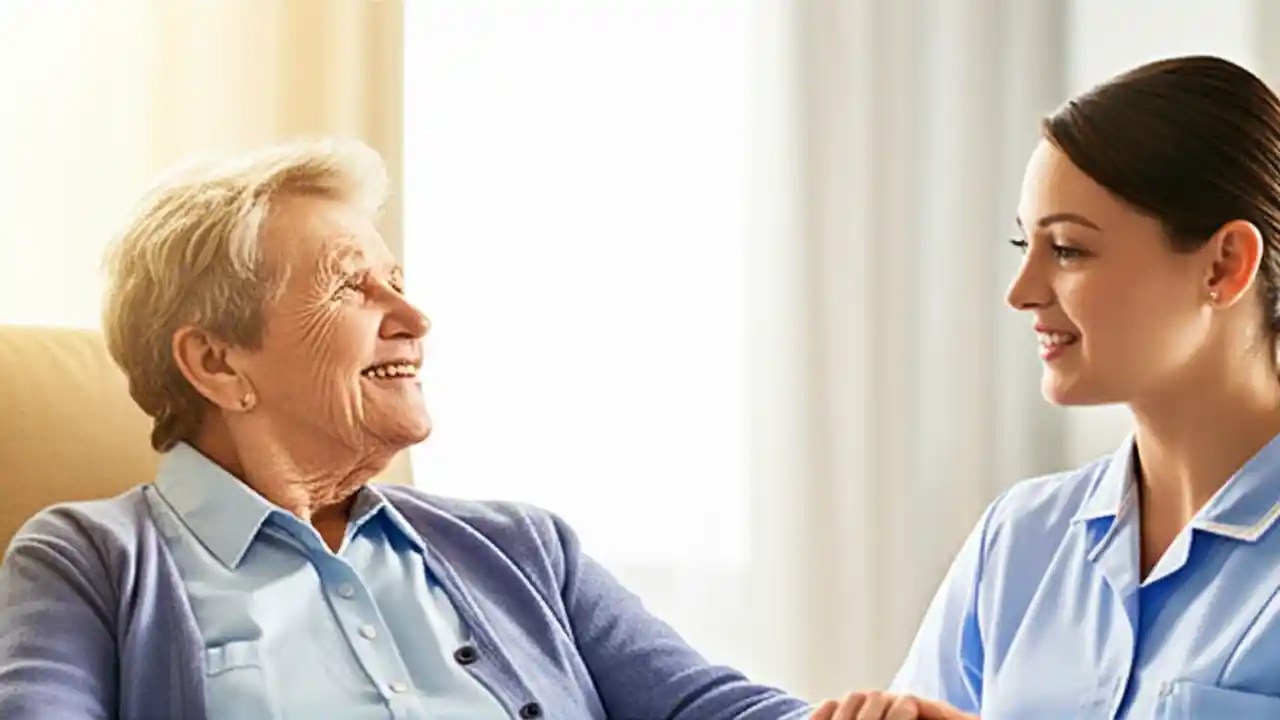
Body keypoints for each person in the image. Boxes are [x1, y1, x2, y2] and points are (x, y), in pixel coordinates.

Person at [0, 139, 812, 719]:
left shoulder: (526, 548)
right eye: (353, 287)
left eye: (399, 282)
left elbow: (708, 705)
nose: (415, 318)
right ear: (217, 363)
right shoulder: (89, 564)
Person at [813, 55, 1280, 719]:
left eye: (1067, 250)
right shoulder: (1021, 539)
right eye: (1022, 245)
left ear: (1224, 265)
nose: (1021, 291)